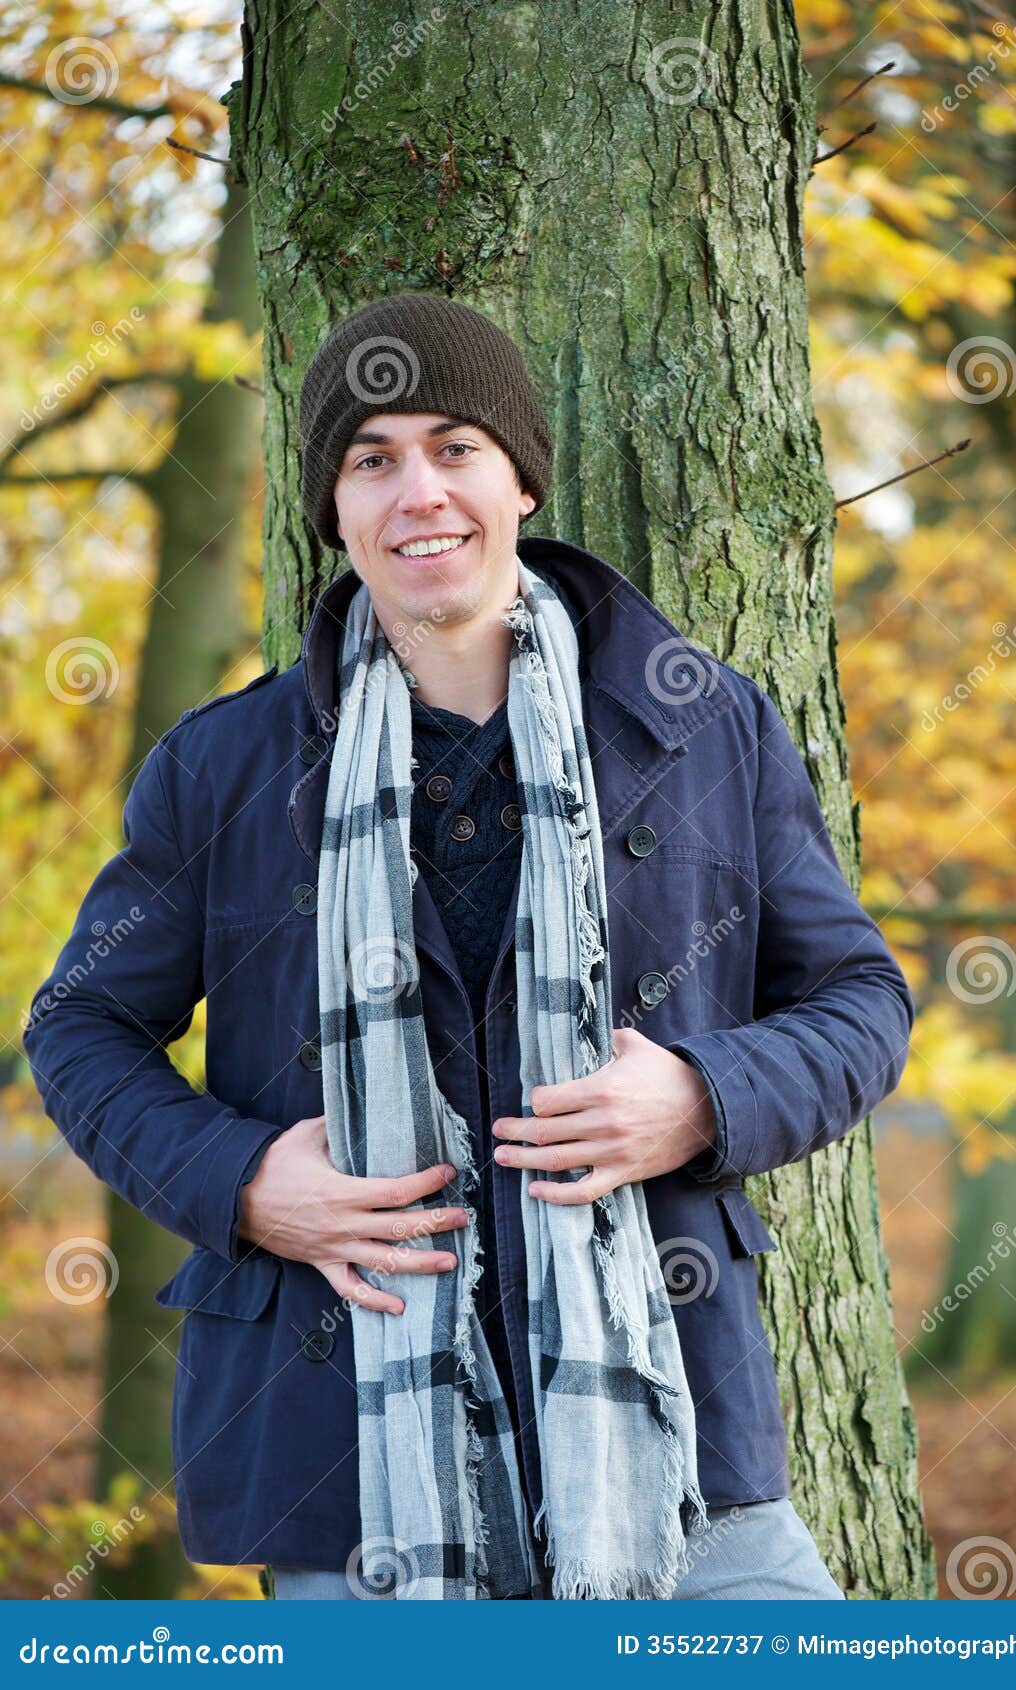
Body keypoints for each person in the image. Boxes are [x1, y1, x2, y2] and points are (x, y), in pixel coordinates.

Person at [24, 292, 913, 1601]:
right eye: (370, 458)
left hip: (678, 1441)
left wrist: (701, 1093)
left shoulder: (697, 723)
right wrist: (244, 1178)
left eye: (455, 447)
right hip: (345, 1458)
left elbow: (858, 999)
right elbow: (80, 1024)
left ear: (519, 479)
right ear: (331, 508)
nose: (417, 490)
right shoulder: (222, 765)